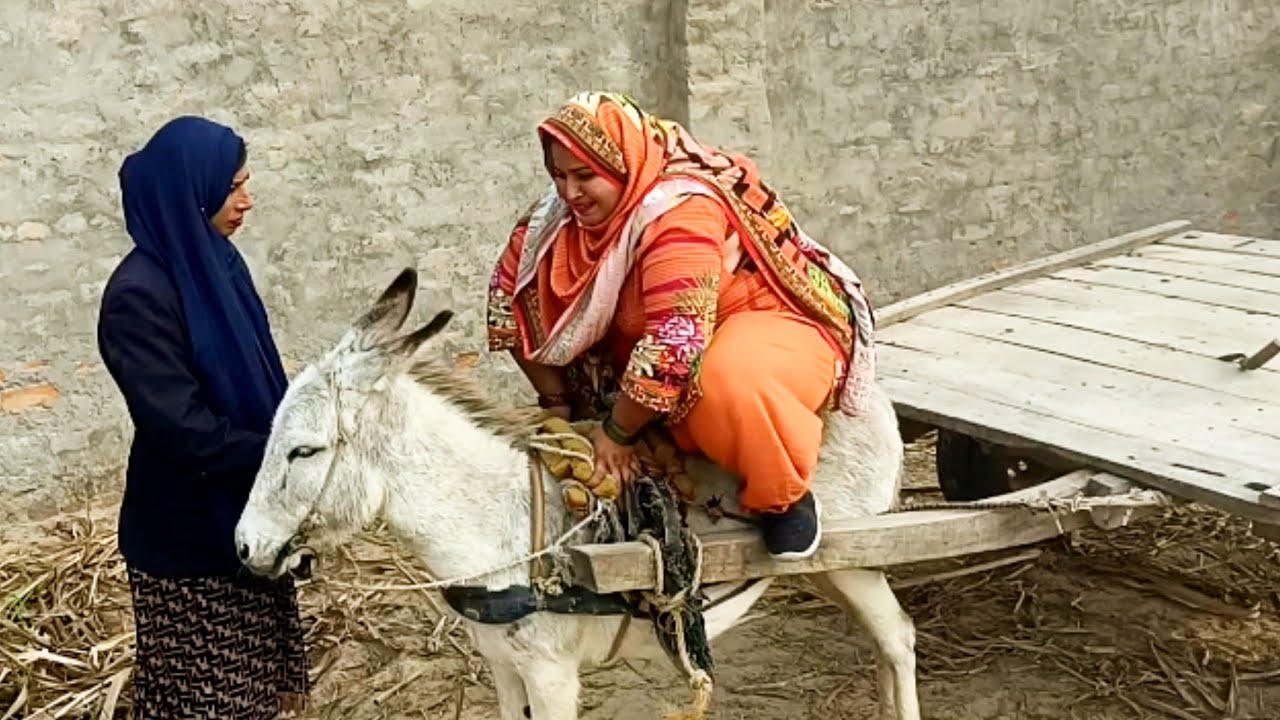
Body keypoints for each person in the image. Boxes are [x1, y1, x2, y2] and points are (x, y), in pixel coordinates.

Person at [486, 93, 878, 560]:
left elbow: (675, 342)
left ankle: (784, 496)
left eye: (585, 175)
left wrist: (615, 436)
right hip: (666, 347)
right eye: (559, 175)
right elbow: (506, 302)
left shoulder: (679, 210)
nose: (570, 192)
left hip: (760, 323)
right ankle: (650, 419)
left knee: (728, 383)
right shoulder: (556, 220)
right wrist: (558, 407)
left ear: (622, 163)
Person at [97, 116, 309, 719]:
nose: (248, 200)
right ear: (192, 191)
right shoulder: (139, 295)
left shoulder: (218, 263)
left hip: (249, 517)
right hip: (189, 540)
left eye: (247, 183)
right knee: (203, 703)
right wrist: (281, 453)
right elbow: (183, 429)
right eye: (233, 186)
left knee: (258, 698)